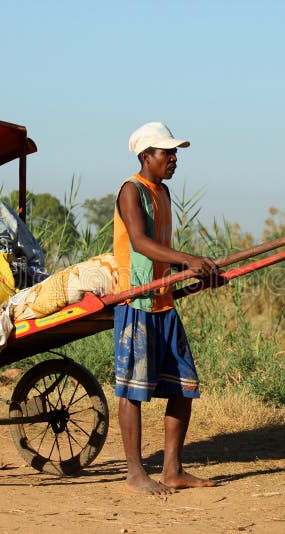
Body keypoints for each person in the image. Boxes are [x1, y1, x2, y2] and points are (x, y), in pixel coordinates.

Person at [113, 121, 220, 495]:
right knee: (133, 390)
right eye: (167, 153)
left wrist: (195, 270)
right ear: (146, 156)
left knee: (183, 385)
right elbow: (141, 243)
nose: (174, 159)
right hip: (136, 300)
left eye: (175, 153)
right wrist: (189, 258)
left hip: (163, 301)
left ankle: (173, 470)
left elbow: (162, 246)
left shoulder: (164, 193)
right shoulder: (131, 190)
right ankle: (135, 473)